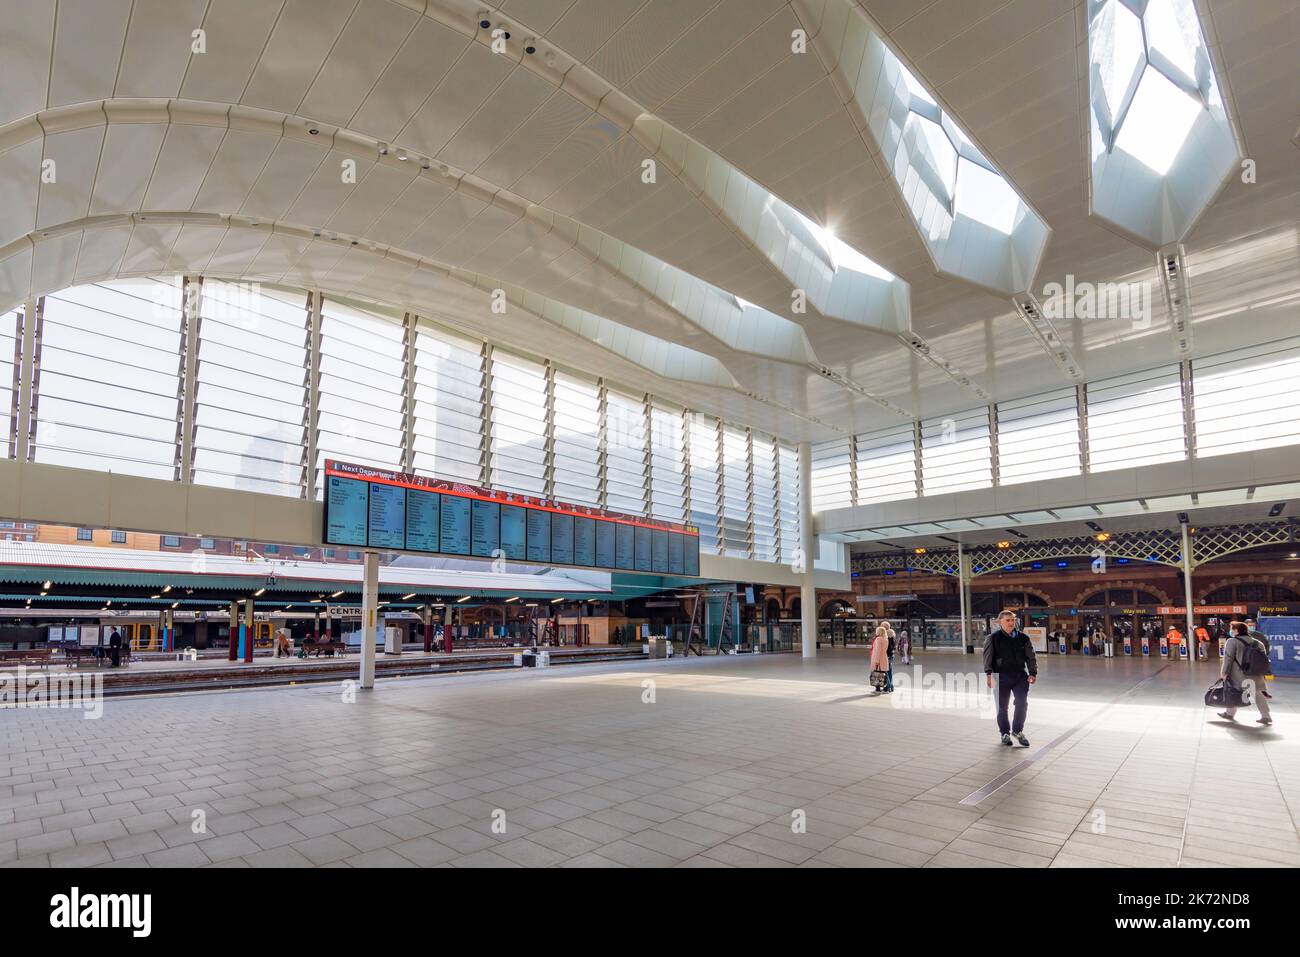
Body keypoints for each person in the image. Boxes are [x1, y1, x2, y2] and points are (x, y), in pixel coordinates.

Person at [983, 610, 1037, 747]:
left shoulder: (1023, 638)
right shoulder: (993, 638)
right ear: (1000, 622)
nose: (1011, 623)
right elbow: (987, 657)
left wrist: (1032, 672)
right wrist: (989, 674)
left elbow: (1030, 657)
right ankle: (1004, 733)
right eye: (1008, 620)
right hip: (999, 676)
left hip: (1019, 676)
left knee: (1022, 703)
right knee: (1002, 707)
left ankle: (1018, 731)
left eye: (1013, 620)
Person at [1217, 621, 1272, 725]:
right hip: (1256, 673)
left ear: (1236, 630)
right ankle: (1266, 716)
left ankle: (1229, 713)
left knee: (1232, 691)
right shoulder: (1258, 643)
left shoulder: (1232, 641)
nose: (1231, 630)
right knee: (1258, 694)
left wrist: (1224, 673)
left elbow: (1228, 659)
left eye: (1232, 628)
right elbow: (1263, 659)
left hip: (1240, 674)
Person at [869, 625, 890, 694]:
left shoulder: (878, 639)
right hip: (884, 657)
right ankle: (886, 688)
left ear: (879, 632)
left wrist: (876, 661)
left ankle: (877, 689)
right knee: (884, 673)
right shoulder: (885, 639)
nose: (876, 632)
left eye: (876, 631)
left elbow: (878, 651)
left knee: (876, 673)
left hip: (879, 658)